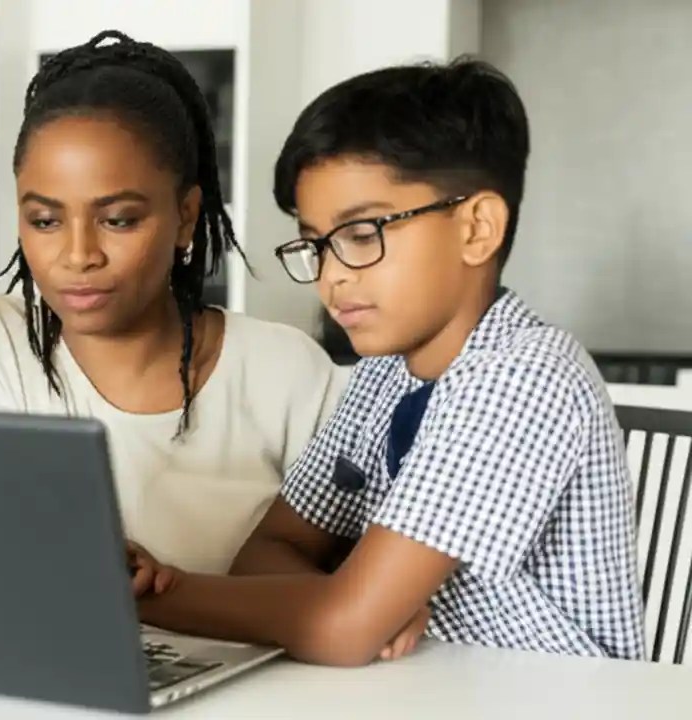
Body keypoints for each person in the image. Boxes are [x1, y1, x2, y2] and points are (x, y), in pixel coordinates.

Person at [134, 58, 645, 664]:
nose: (331, 277)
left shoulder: (526, 374)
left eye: (361, 234)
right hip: (415, 689)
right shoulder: (384, 371)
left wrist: (146, 597)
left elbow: (343, 630)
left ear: (477, 228)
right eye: (316, 244)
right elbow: (267, 551)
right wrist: (350, 602)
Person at [0, 31, 346, 586]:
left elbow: (351, 591)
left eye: (119, 219)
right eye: (45, 221)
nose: (79, 256)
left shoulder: (289, 373)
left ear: (185, 216)